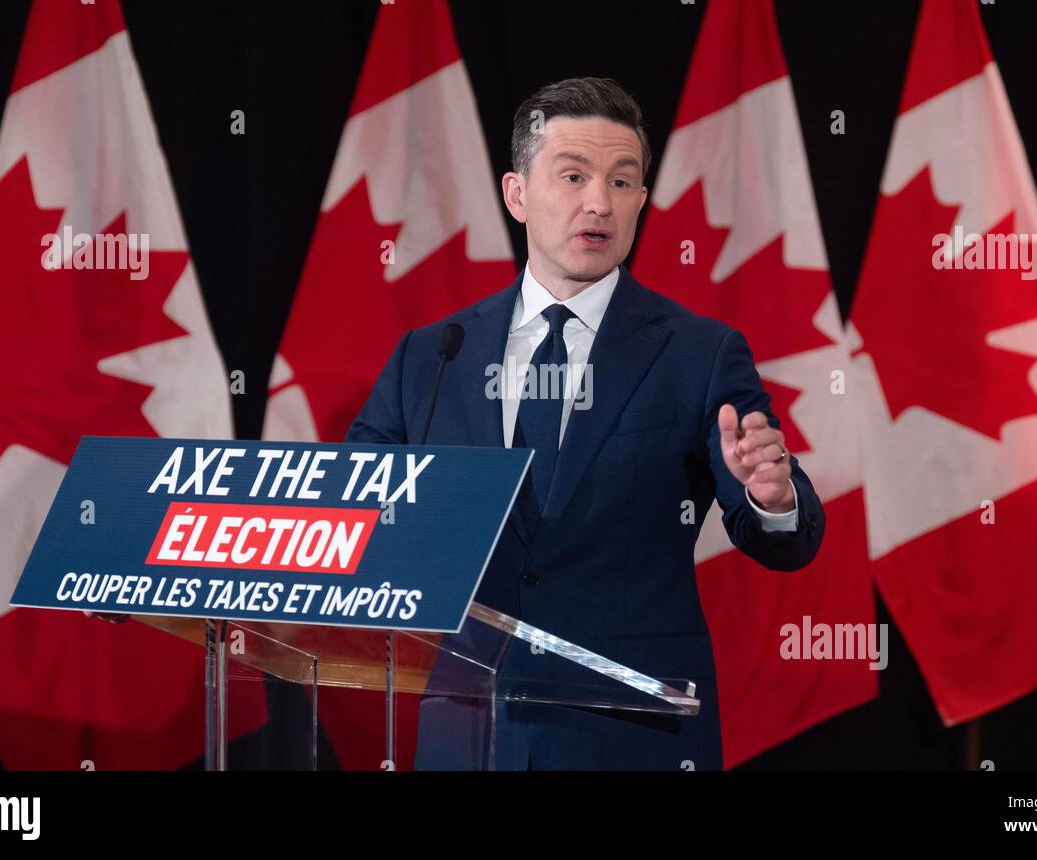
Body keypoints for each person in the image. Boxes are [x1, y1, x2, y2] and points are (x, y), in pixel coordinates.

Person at [345, 77, 825, 770]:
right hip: (470, 733)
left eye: (623, 181)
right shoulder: (433, 357)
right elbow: (353, 509)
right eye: (573, 176)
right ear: (517, 194)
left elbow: (783, 535)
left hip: (631, 732)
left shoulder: (697, 352)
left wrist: (771, 499)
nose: (599, 201)